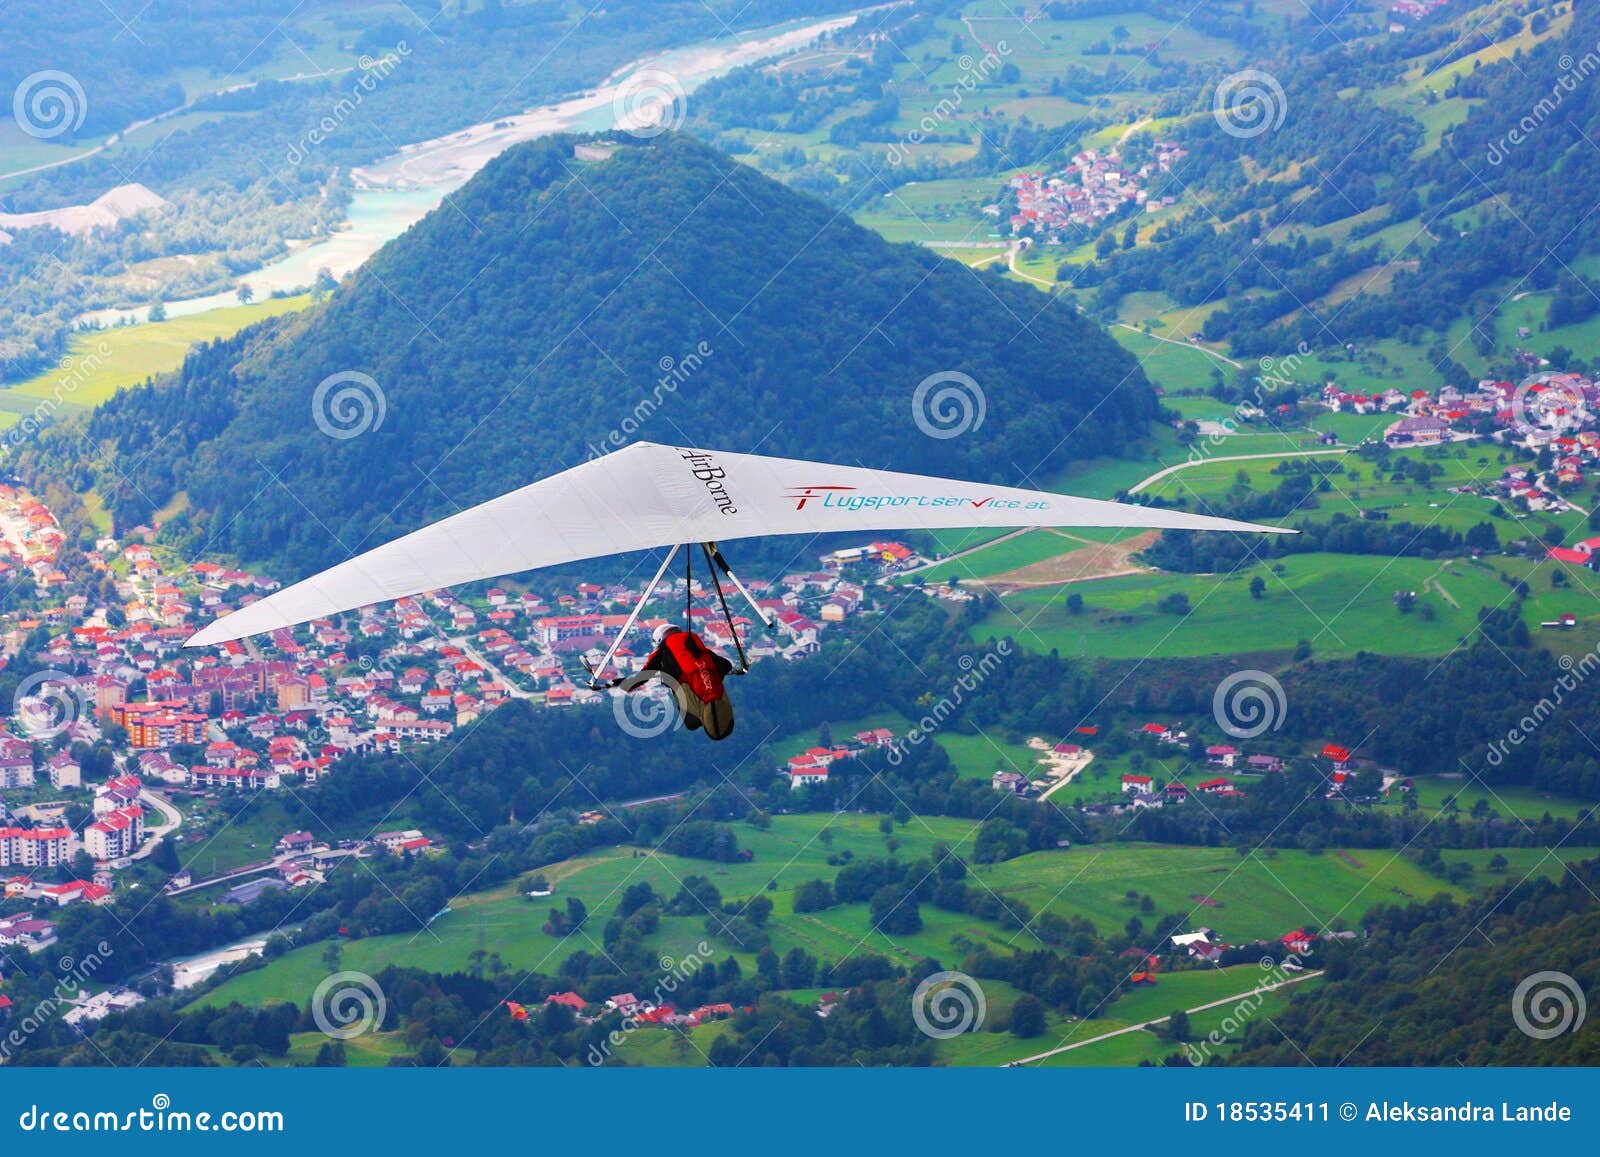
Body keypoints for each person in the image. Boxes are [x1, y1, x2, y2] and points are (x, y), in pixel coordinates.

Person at [632, 623, 735, 740]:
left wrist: (625, 684)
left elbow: (646, 675)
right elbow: (726, 666)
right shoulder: (695, 645)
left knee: (691, 723)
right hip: (718, 700)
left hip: (696, 705)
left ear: (659, 640)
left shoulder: (663, 651)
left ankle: (703, 713)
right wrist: (707, 672)